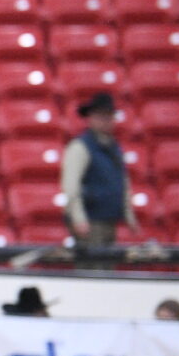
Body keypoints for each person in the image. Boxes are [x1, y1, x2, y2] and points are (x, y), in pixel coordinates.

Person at [59, 92, 138, 260]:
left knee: (106, 265)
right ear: (91, 117)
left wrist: (128, 214)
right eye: (101, 116)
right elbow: (71, 185)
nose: (106, 120)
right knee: (94, 266)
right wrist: (78, 217)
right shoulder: (81, 147)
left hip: (107, 218)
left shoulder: (112, 146)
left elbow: (123, 182)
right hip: (91, 219)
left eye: (109, 116)